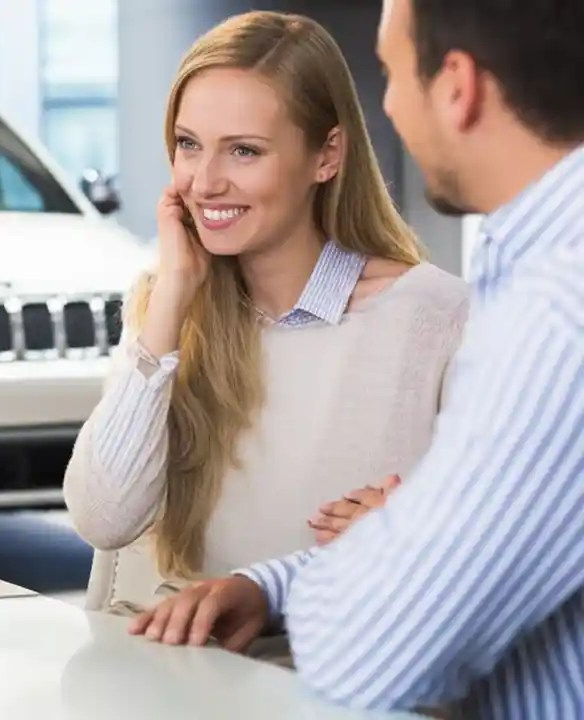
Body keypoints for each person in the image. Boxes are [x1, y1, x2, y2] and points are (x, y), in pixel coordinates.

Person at [132, 0, 584, 715]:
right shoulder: (534, 279)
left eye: (391, 74)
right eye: (190, 144)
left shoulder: (556, 316)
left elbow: (368, 652)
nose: (390, 109)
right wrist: (274, 585)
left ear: (457, 87)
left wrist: (408, 537)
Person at [62, 10, 468, 620]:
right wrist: (171, 298)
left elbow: (493, 554)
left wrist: (415, 538)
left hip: (319, 669)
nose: (205, 182)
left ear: (327, 155)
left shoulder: (437, 320)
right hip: (153, 664)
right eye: (189, 145)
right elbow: (103, 518)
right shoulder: (166, 305)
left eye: (243, 151)